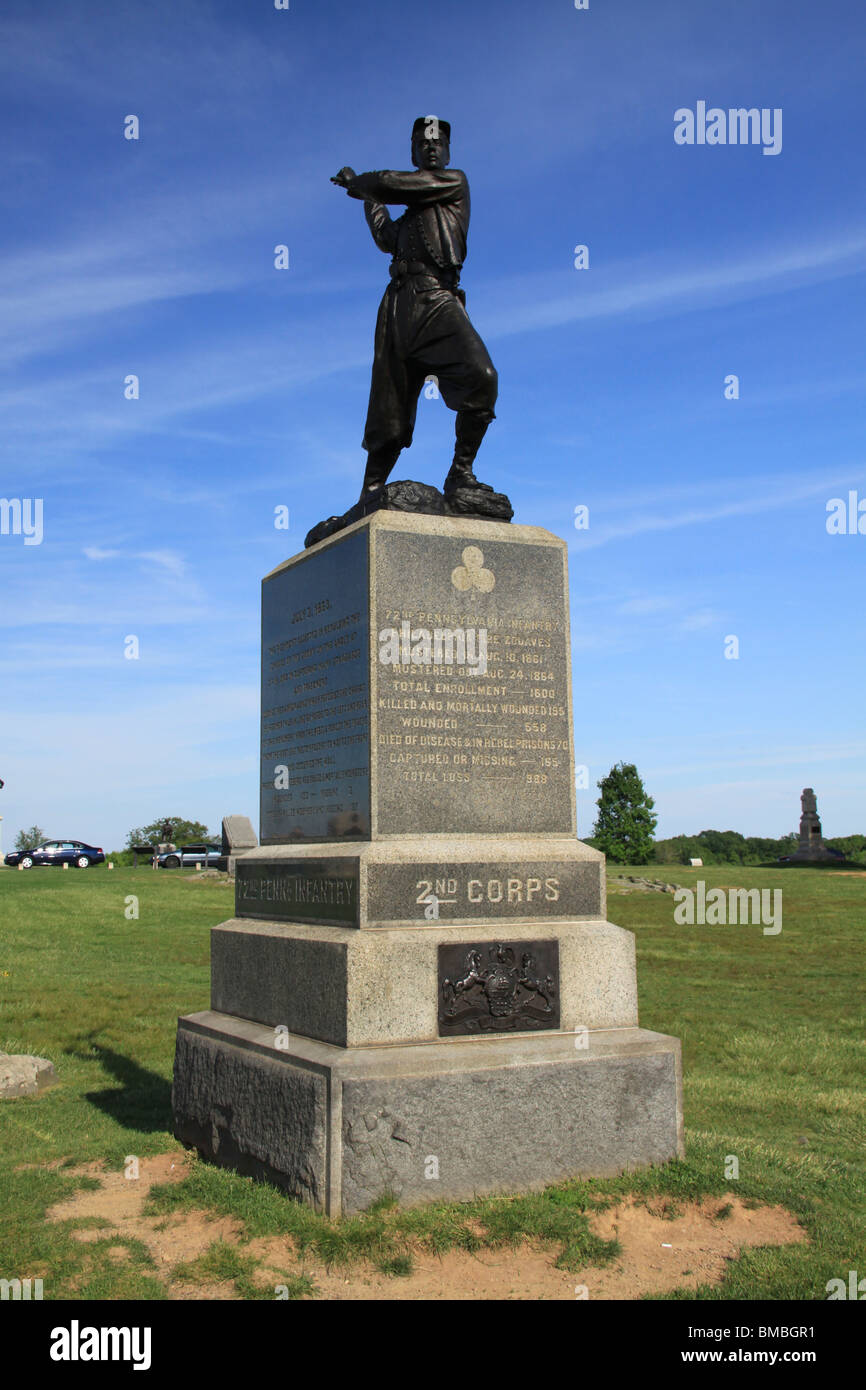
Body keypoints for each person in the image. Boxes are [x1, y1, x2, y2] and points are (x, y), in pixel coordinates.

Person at [332, 117, 498, 507]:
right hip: (398, 306)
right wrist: (369, 199)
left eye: (437, 144)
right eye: (422, 145)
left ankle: (461, 473)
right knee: (389, 407)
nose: (431, 149)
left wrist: (362, 185)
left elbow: (394, 184)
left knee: (481, 376)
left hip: (438, 299)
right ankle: (370, 492)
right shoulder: (411, 217)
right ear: (413, 150)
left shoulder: (452, 183)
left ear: (447, 151)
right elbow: (386, 238)